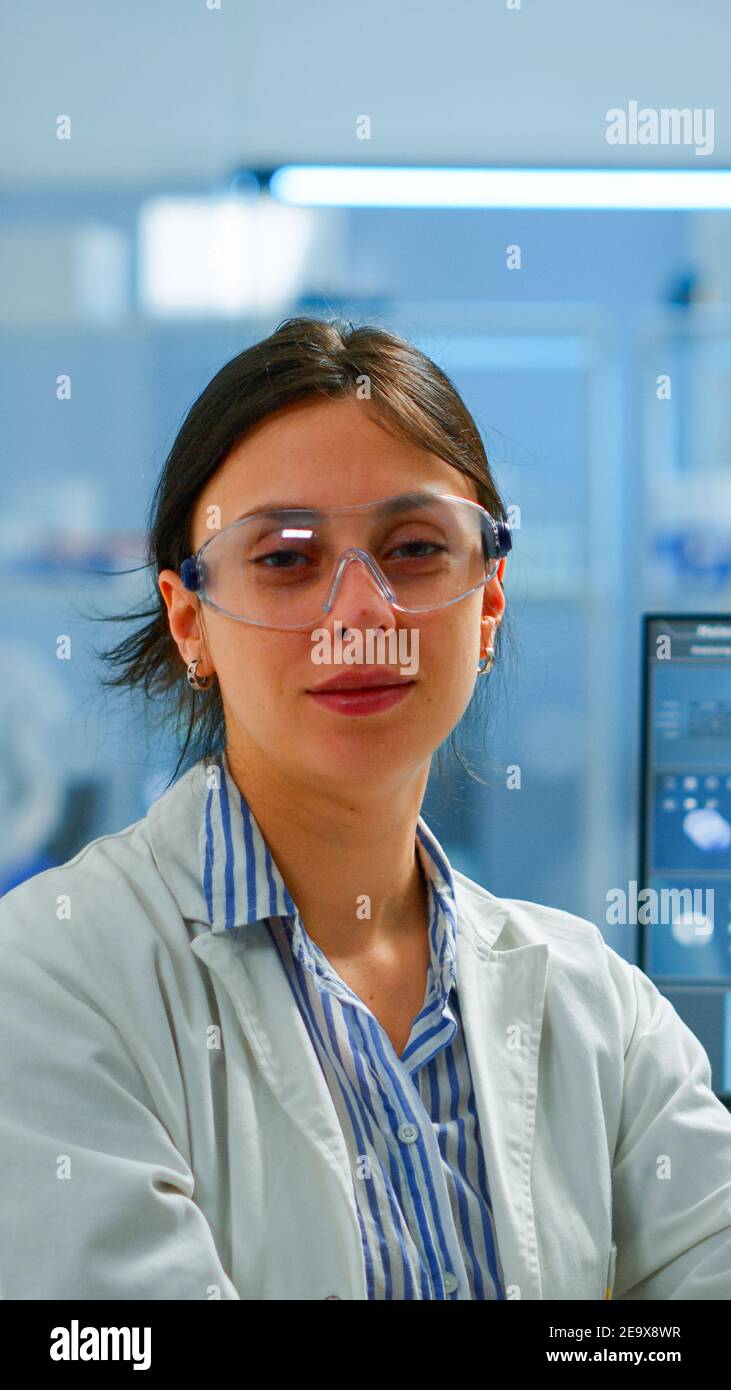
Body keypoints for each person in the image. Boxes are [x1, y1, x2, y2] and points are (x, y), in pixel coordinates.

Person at [1, 317, 730, 1302]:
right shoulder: (49, 978)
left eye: (414, 547)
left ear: (488, 601)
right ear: (189, 623)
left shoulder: (602, 1012)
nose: (361, 613)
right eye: (287, 559)